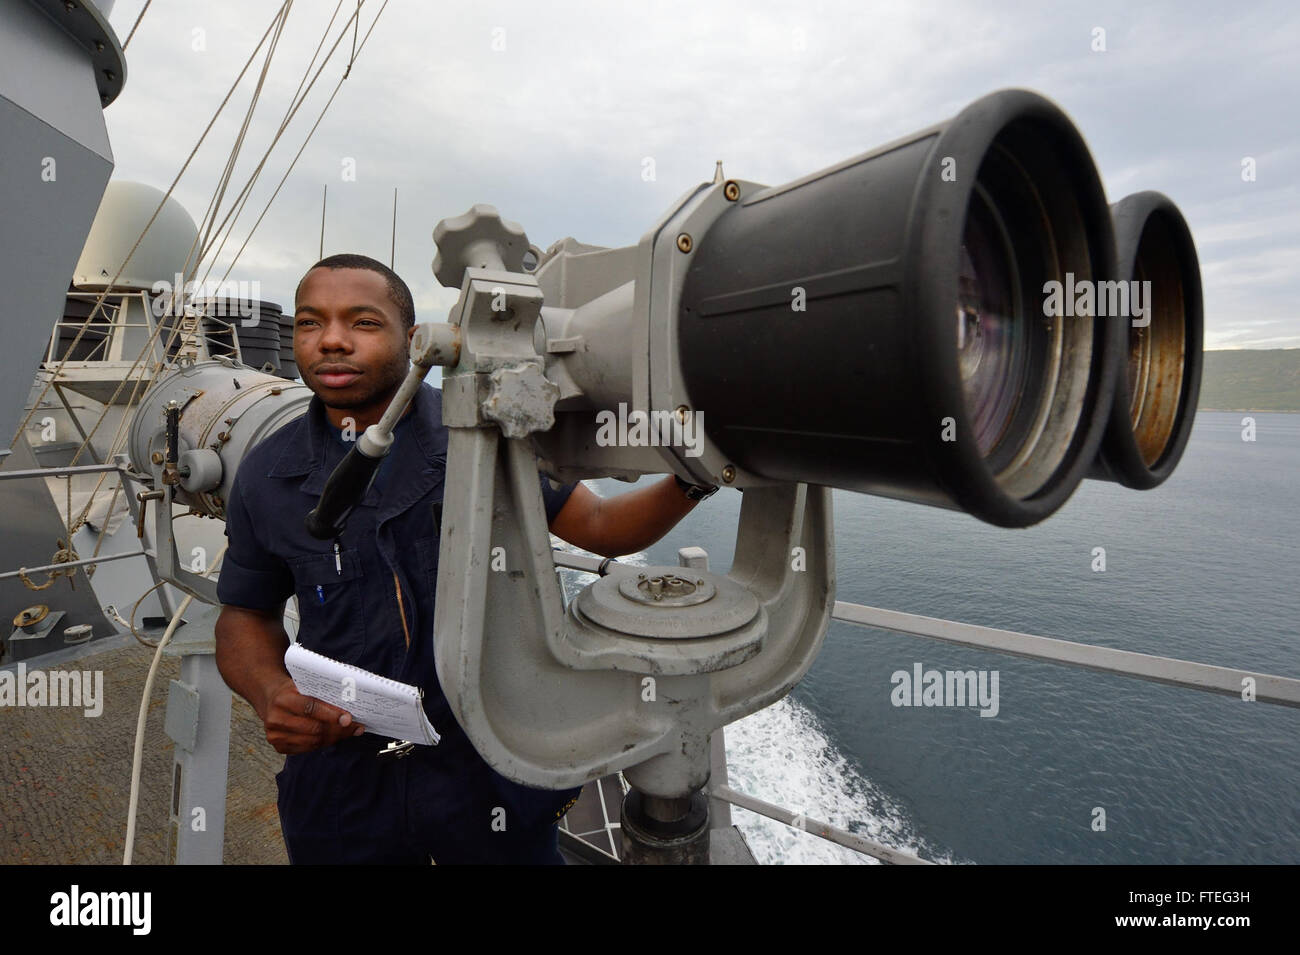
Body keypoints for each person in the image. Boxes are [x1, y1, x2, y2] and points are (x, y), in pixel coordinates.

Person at [214, 253, 716, 864]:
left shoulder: (488, 439)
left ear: (415, 340)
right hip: (344, 778)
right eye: (309, 323)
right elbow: (245, 616)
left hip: (488, 765)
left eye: (363, 322)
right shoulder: (267, 475)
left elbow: (603, 528)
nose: (332, 341)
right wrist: (270, 692)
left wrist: (699, 470)